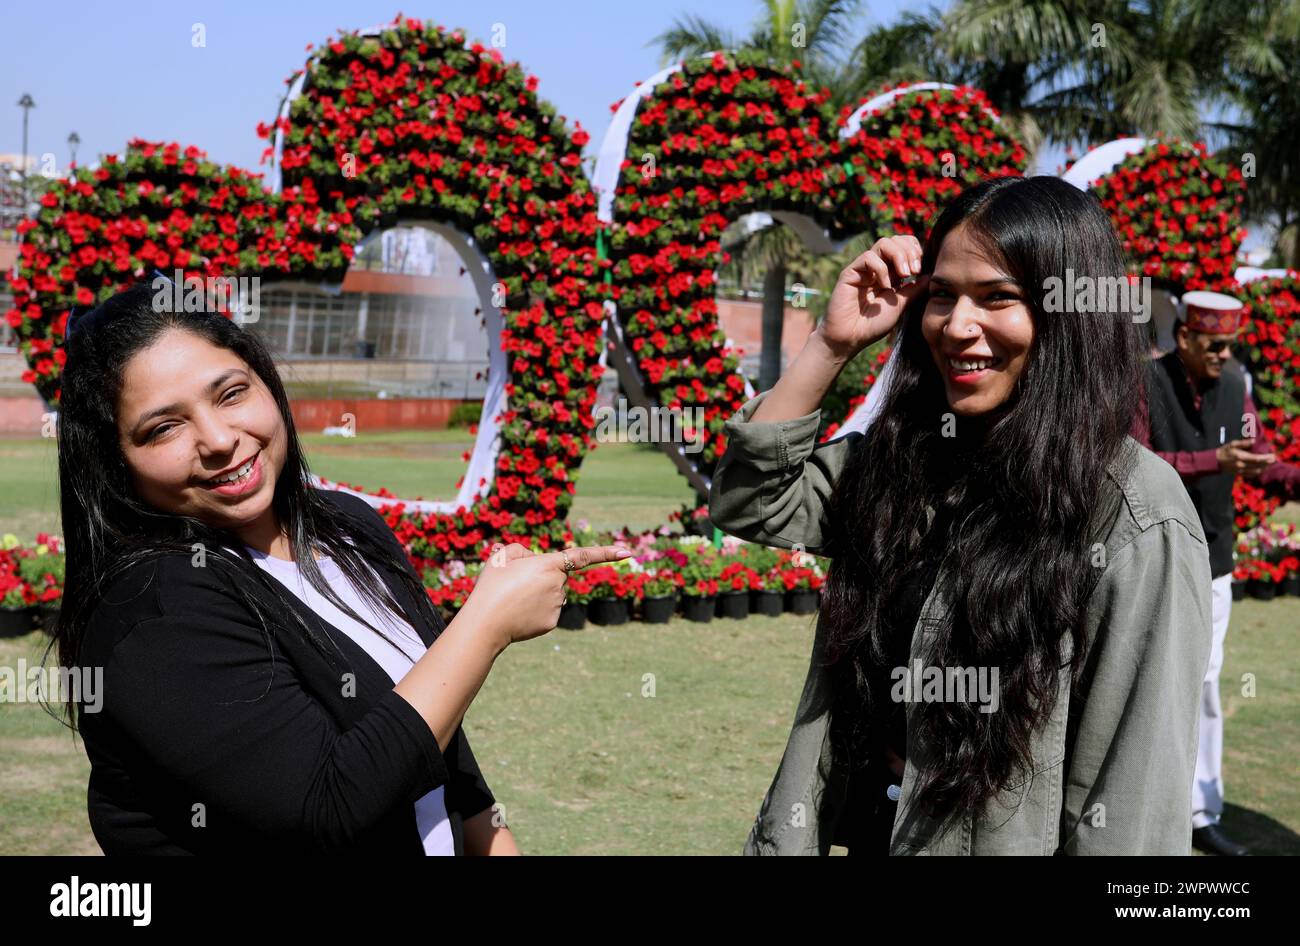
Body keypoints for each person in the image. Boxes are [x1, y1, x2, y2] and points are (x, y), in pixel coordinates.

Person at [709, 175, 1214, 855]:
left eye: (998, 298)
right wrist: (831, 345)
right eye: (942, 295)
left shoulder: (1135, 516)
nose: (957, 325)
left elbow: (1130, 809)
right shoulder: (909, 456)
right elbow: (754, 501)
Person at [49, 279, 630, 855]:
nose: (220, 439)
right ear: (114, 460)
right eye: (164, 427)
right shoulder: (153, 608)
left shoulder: (348, 523)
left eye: (230, 393)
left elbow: (440, 752)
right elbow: (326, 813)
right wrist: (485, 625)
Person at [1130, 290, 1300, 856]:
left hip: (1214, 563)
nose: (1224, 356)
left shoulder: (1234, 388)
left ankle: (1202, 815)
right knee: (1137, 681)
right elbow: (1133, 463)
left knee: (1205, 685)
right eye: (1214, 345)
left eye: (1230, 346)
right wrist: (1212, 462)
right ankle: (1133, 807)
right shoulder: (1144, 383)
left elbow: (1261, 457)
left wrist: (1285, 474)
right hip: (1148, 559)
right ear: (1184, 338)